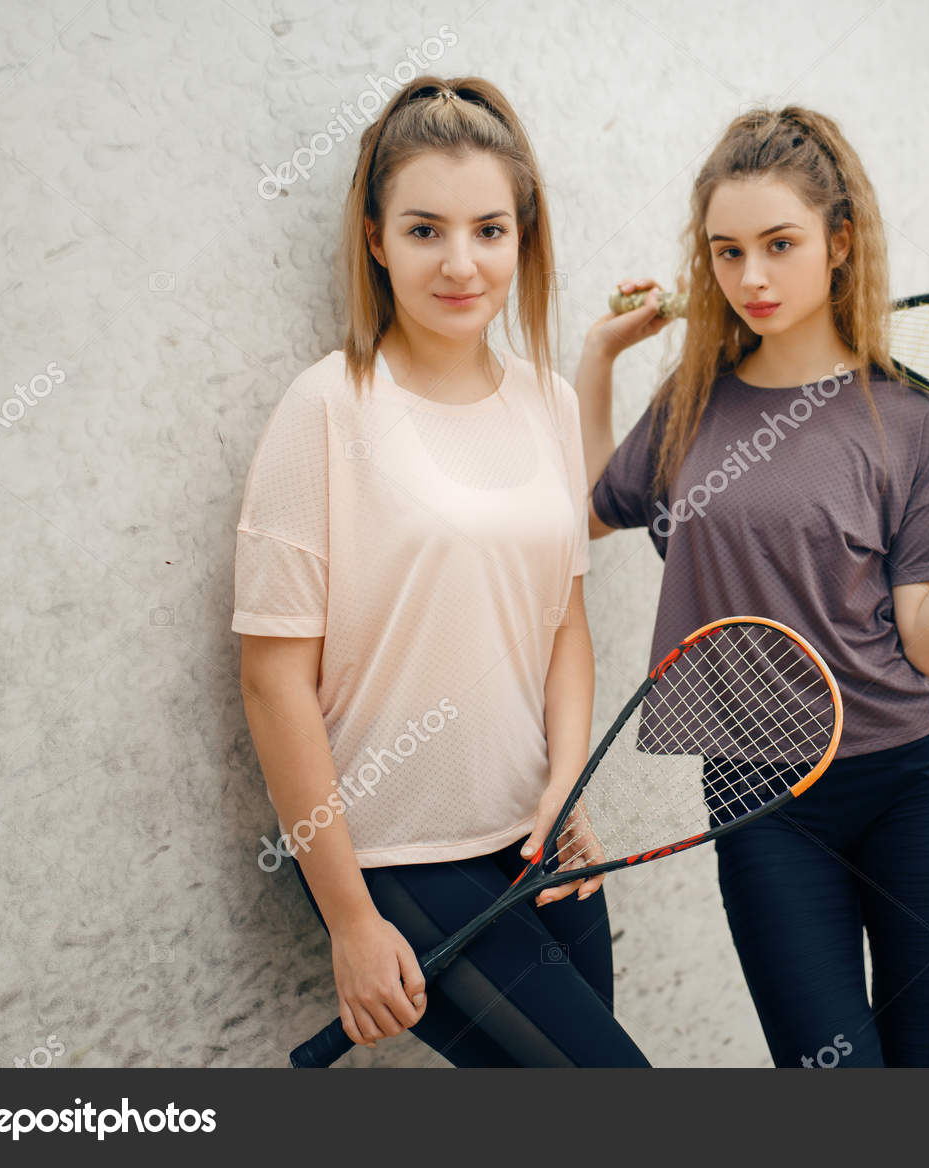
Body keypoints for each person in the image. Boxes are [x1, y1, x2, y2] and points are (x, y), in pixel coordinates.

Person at [577, 105, 929, 1067]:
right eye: (725, 252)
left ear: (838, 243)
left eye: (779, 244)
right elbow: (593, 507)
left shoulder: (909, 421)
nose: (750, 277)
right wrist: (596, 359)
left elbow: (925, 644)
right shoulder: (692, 398)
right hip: (759, 800)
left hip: (915, 788)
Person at [233, 75, 648, 1067]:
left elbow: (564, 624)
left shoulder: (548, 402)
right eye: (425, 230)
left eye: (489, 231)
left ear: (522, 239)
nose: (461, 263)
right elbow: (271, 678)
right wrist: (348, 916)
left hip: (540, 841)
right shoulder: (326, 409)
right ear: (375, 238)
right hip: (390, 859)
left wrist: (563, 785)